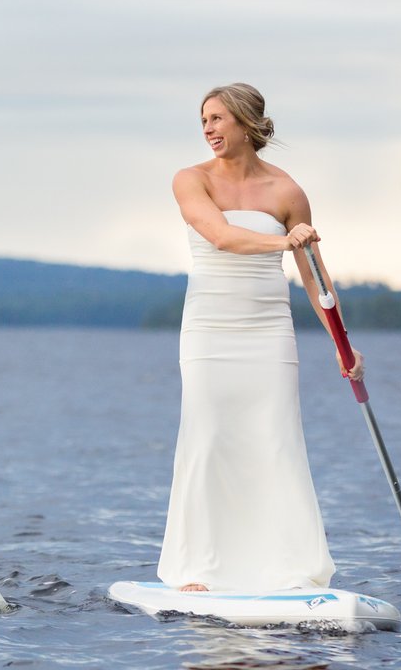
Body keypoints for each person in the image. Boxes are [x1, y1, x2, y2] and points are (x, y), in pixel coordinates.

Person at [156, 83, 365, 593]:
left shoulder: (287, 191)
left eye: (218, 119)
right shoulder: (191, 180)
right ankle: (196, 571)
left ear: (247, 123)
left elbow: (315, 276)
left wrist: (343, 344)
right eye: (203, 120)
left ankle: (291, 570)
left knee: (276, 441)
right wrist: (283, 239)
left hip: (269, 331)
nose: (208, 129)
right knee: (207, 438)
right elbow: (221, 236)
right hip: (209, 329)